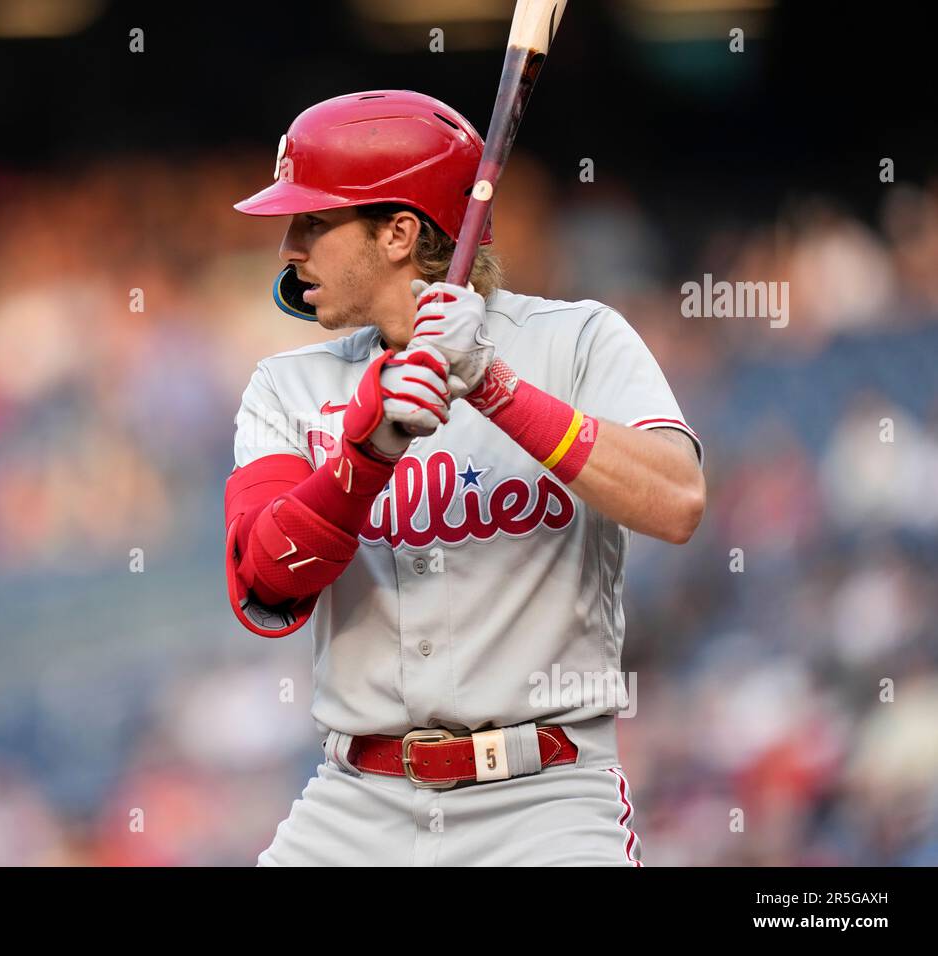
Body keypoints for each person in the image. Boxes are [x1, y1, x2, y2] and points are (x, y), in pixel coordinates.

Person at [223, 90, 705, 865]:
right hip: (357, 802)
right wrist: (365, 454)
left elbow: (677, 501)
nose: (289, 246)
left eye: (312, 221)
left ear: (398, 232)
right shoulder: (289, 387)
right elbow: (267, 582)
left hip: (546, 800)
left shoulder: (576, 340)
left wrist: (496, 387)